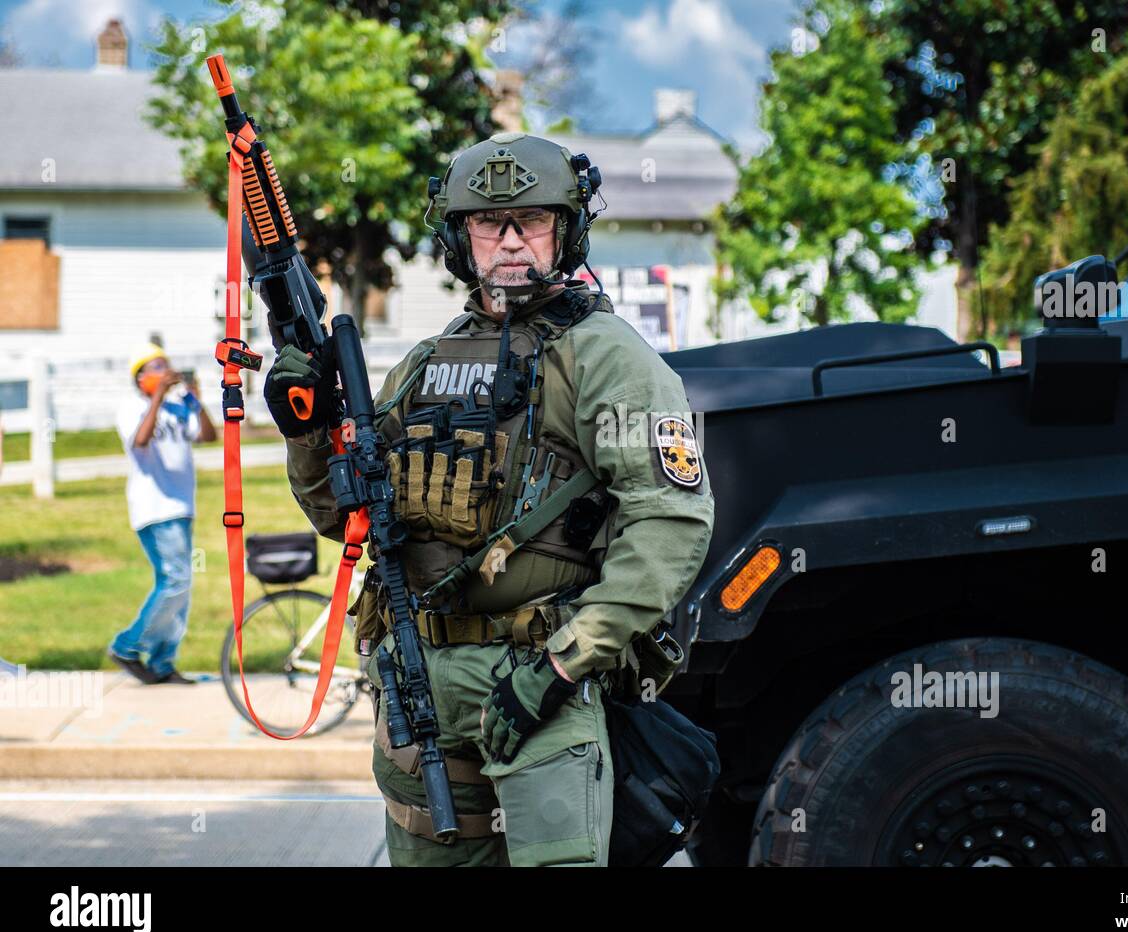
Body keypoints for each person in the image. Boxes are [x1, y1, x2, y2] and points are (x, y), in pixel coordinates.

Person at [265, 132, 715, 866]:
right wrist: (307, 431)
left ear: (564, 231)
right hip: (418, 684)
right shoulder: (426, 363)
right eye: (488, 224)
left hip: (540, 682)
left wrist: (566, 662)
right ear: (458, 237)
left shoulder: (604, 355)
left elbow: (670, 520)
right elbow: (345, 518)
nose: (510, 243)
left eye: (530, 222)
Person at [108, 345, 216, 685]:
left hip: (182, 505)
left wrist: (196, 400)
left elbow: (209, 436)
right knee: (176, 581)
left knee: (179, 590)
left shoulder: (177, 407)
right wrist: (157, 399)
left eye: (167, 365)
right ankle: (127, 646)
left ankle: (161, 663)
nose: (164, 371)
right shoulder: (132, 407)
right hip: (154, 507)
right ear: (140, 377)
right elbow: (140, 440)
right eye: (156, 367)